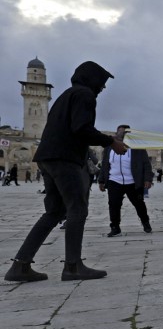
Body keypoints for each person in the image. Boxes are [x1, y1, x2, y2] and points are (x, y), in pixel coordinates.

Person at [5, 61, 127, 282]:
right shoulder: (84, 95)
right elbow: (81, 128)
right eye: (102, 82)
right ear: (92, 79)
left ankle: (20, 266)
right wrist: (111, 141)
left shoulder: (65, 96)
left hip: (47, 158)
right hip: (65, 159)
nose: (103, 88)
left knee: (54, 212)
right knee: (77, 209)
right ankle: (73, 266)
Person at [98, 124, 153, 236]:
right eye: (121, 132)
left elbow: (146, 164)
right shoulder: (109, 147)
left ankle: (145, 222)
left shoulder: (137, 147)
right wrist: (101, 180)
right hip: (114, 180)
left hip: (132, 181)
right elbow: (105, 164)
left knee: (139, 204)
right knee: (113, 204)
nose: (123, 134)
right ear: (116, 133)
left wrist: (147, 179)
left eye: (126, 132)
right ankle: (115, 227)